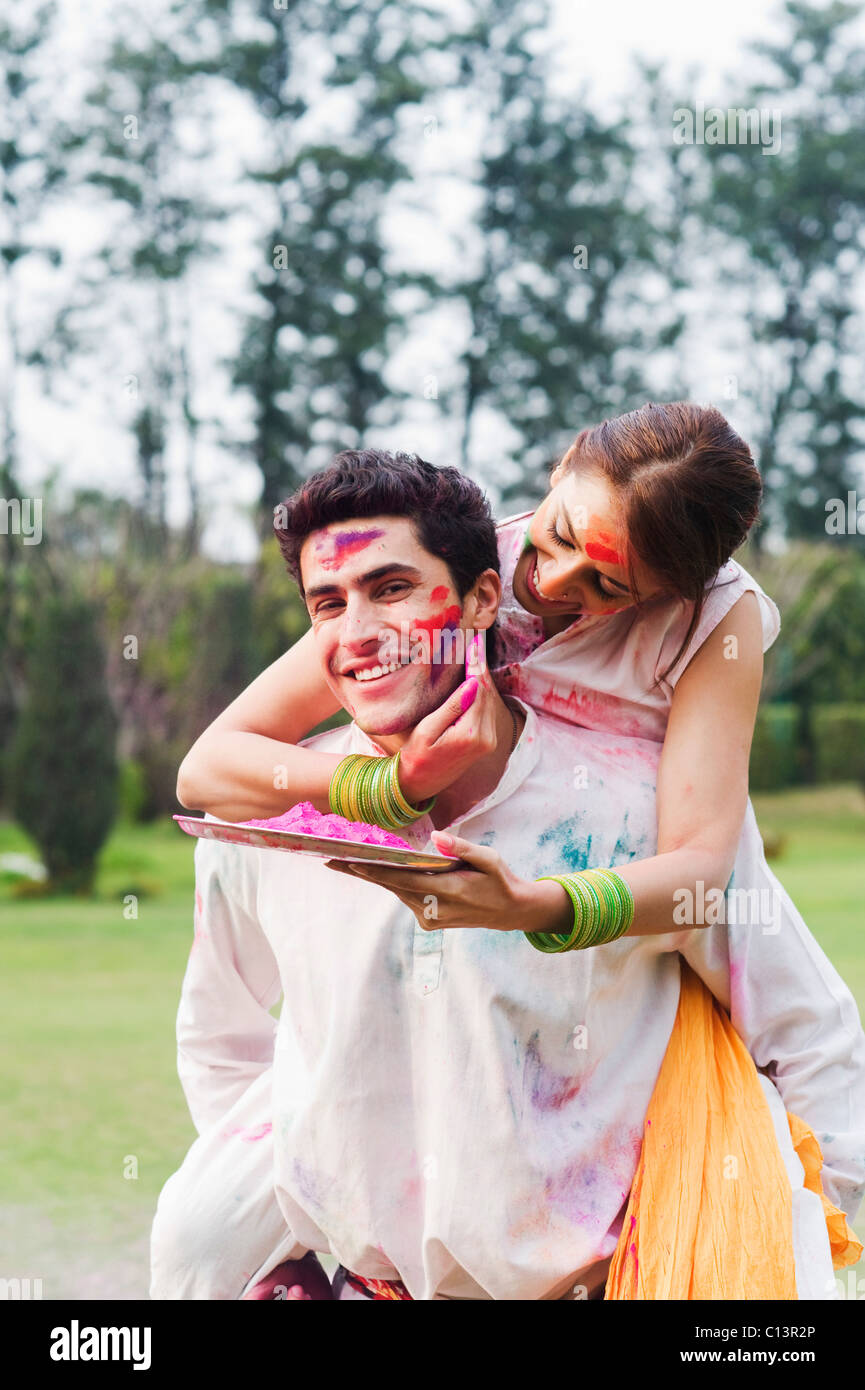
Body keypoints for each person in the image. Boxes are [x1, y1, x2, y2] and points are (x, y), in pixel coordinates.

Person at [151, 453, 865, 1301]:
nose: (556, 584)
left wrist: (836, 1236)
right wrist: (279, 1242)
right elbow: (219, 1036)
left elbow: (801, 1022)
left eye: (390, 590)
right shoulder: (265, 822)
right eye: (326, 604)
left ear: (480, 599)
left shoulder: (642, 813)